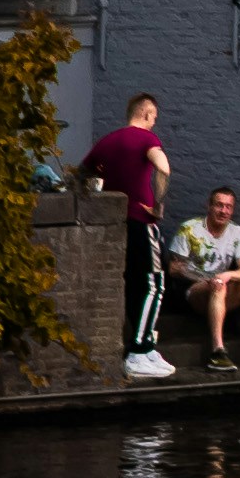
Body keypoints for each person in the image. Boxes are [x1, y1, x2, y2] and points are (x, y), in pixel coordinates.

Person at [75, 92, 173, 378]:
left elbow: (82, 173)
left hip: (116, 224)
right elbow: (163, 167)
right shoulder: (146, 139)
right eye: (154, 117)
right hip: (141, 221)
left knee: (133, 283)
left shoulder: (106, 142)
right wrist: (157, 205)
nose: (155, 123)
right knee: (155, 283)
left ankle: (148, 346)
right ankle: (139, 349)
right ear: (146, 114)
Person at [176, 188, 240, 360]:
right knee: (218, 286)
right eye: (219, 205)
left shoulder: (238, 232)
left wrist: (227, 275)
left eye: (228, 207)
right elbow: (173, 268)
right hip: (196, 291)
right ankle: (218, 351)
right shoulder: (189, 229)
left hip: (222, 286)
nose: (223, 211)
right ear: (209, 206)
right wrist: (203, 278)